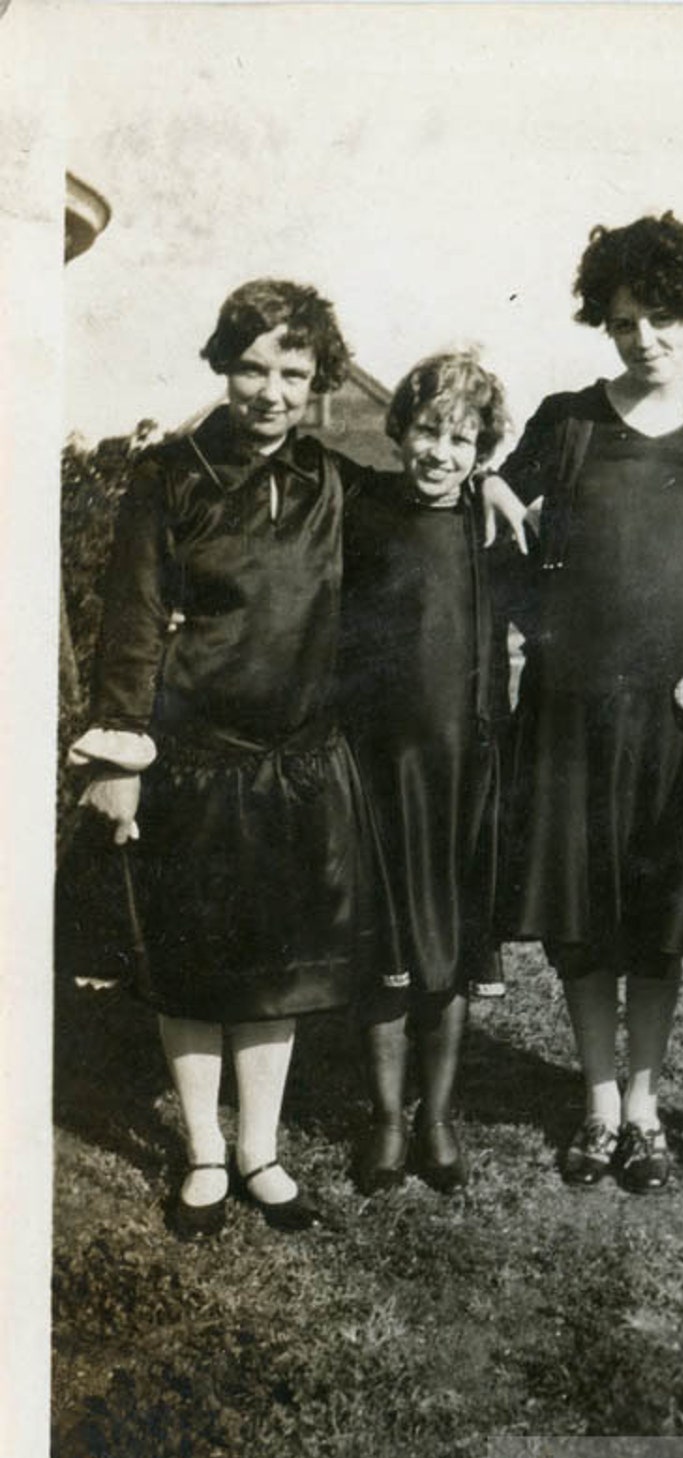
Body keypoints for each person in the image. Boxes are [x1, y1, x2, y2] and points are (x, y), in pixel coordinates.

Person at [65, 279, 395, 1237]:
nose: (272, 391)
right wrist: (119, 753)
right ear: (224, 363)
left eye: (294, 372)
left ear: (318, 379)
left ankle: (262, 1149)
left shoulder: (333, 480)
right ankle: (206, 1152)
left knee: (276, 969)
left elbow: (427, 500)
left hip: (294, 763)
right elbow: (129, 622)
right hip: (192, 762)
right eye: (254, 367)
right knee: (195, 966)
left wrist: (486, 477)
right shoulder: (170, 477)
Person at [489, 212, 683, 1192]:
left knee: (657, 919)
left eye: (660, 318)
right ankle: (598, 1103)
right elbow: (494, 538)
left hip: (678, 716)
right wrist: (547, 623)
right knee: (579, 918)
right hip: (571, 709)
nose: (642, 338)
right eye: (622, 321)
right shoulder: (565, 422)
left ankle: (645, 1109)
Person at [339, 350, 519, 1194]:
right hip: (380, 764)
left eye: (460, 438)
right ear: (400, 430)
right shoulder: (365, 507)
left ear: (481, 447)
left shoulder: (490, 529)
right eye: (427, 431)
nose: (440, 452)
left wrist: (497, 487)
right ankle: (383, 1116)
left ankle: (437, 1115)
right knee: (384, 941)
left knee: (449, 943)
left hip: (463, 764)